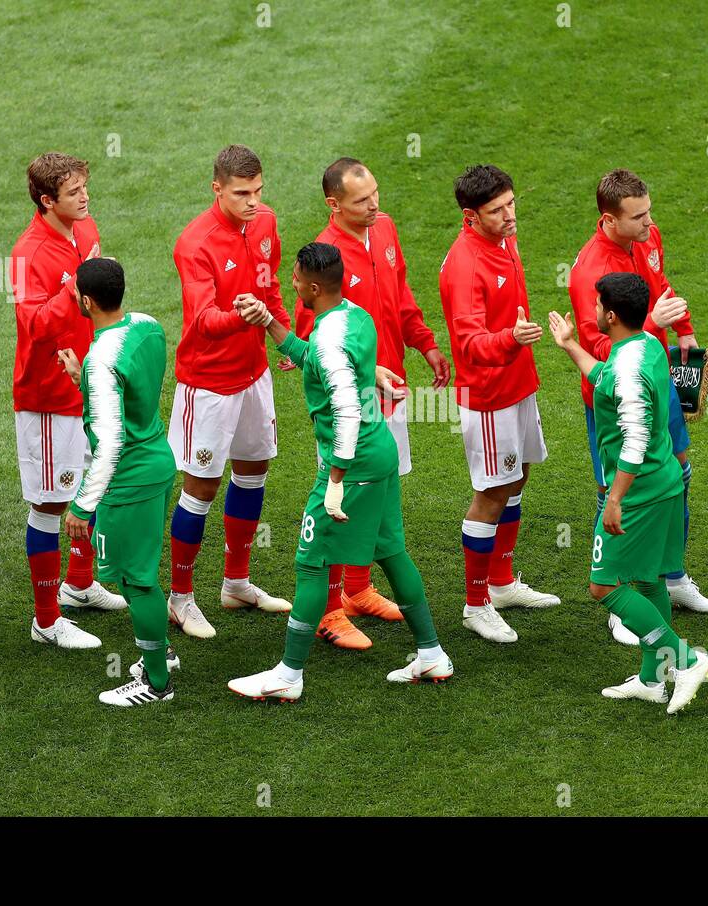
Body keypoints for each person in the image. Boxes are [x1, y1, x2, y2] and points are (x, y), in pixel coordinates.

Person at [228, 243, 452, 700]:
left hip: (355, 463)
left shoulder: (329, 337)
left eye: (294, 278)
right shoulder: (354, 316)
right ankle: (431, 654)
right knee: (391, 552)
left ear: (313, 286)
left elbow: (347, 409)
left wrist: (334, 480)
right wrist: (269, 322)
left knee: (311, 562)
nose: (289, 283)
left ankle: (288, 676)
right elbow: (330, 362)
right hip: (380, 451)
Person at [292, 158, 451, 649]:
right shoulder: (324, 260)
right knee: (341, 506)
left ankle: (358, 590)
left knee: (379, 500)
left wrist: (423, 342)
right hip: (349, 408)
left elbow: (400, 294)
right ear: (334, 204)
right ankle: (331, 609)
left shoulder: (383, 230)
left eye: (375, 194)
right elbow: (308, 334)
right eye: (362, 201)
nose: (374, 205)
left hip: (392, 392)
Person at [549, 272, 708, 713]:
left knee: (604, 586)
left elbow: (635, 440)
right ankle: (649, 678)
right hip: (665, 484)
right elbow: (605, 375)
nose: (593, 311)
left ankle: (686, 660)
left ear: (612, 314)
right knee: (649, 578)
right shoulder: (646, 346)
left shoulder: (628, 365)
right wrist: (569, 345)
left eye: (597, 304)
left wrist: (616, 498)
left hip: (637, 492)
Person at [569, 169, 708, 648]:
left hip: (657, 379)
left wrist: (685, 331)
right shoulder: (589, 273)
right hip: (612, 398)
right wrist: (653, 324)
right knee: (612, 488)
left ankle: (672, 577)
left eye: (649, 211)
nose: (649, 222)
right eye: (638, 217)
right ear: (609, 220)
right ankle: (621, 591)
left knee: (679, 472)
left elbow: (660, 283)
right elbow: (600, 349)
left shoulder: (646, 235)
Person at [167, 144, 292, 640]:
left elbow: (271, 283)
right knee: (201, 486)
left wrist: (280, 330)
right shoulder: (194, 244)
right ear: (217, 188)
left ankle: (236, 583)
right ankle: (179, 598)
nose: (253, 202)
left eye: (259, 191)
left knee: (253, 470)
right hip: (209, 383)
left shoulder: (265, 222)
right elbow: (202, 322)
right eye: (242, 193)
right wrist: (242, 315)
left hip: (254, 372)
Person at [440, 164, 559, 645]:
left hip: (518, 384)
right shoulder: (466, 264)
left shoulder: (504, 240)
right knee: (492, 492)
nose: (510, 216)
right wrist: (510, 340)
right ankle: (475, 604)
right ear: (471, 216)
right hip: (488, 396)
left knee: (519, 476)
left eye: (511, 203)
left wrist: (514, 345)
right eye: (497, 210)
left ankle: (502, 582)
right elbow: (468, 345)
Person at [12, 152, 125, 652]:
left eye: (85, 188)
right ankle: (46, 618)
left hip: (87, 382)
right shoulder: (28, 255)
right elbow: (33, 327)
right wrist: (74, 290)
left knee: (90, 485)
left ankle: (78, 585)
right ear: (46, 200)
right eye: (74, 192)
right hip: (48, 396)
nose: (85, 197)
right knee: (51, 503)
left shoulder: (85, 226)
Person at [56, 258, 178, 707]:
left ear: (85, 302)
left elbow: (109, 443)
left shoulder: (100, 359)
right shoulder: (147, 326)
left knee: (136, 580)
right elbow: (134, 396)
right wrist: (83, 380)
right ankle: (156, 657)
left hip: (129, 479)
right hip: (157, 461)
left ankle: (157, 682)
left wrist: (82, 506)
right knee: (142, 571)